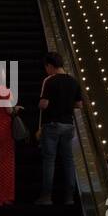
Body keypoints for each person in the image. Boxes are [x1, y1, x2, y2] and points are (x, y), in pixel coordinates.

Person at [35, 53, 83, 206]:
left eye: (46, 67)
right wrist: (66, 104)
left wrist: (48, 104)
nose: (46, 71)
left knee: (49, 161)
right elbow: (79, 105)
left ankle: (46, 197)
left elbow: (43, 104)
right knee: (68, 160)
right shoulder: (74, 82)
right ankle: (69, 197)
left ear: (50, 66)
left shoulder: (50, 81)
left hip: (52, 125)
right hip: (68, 125)